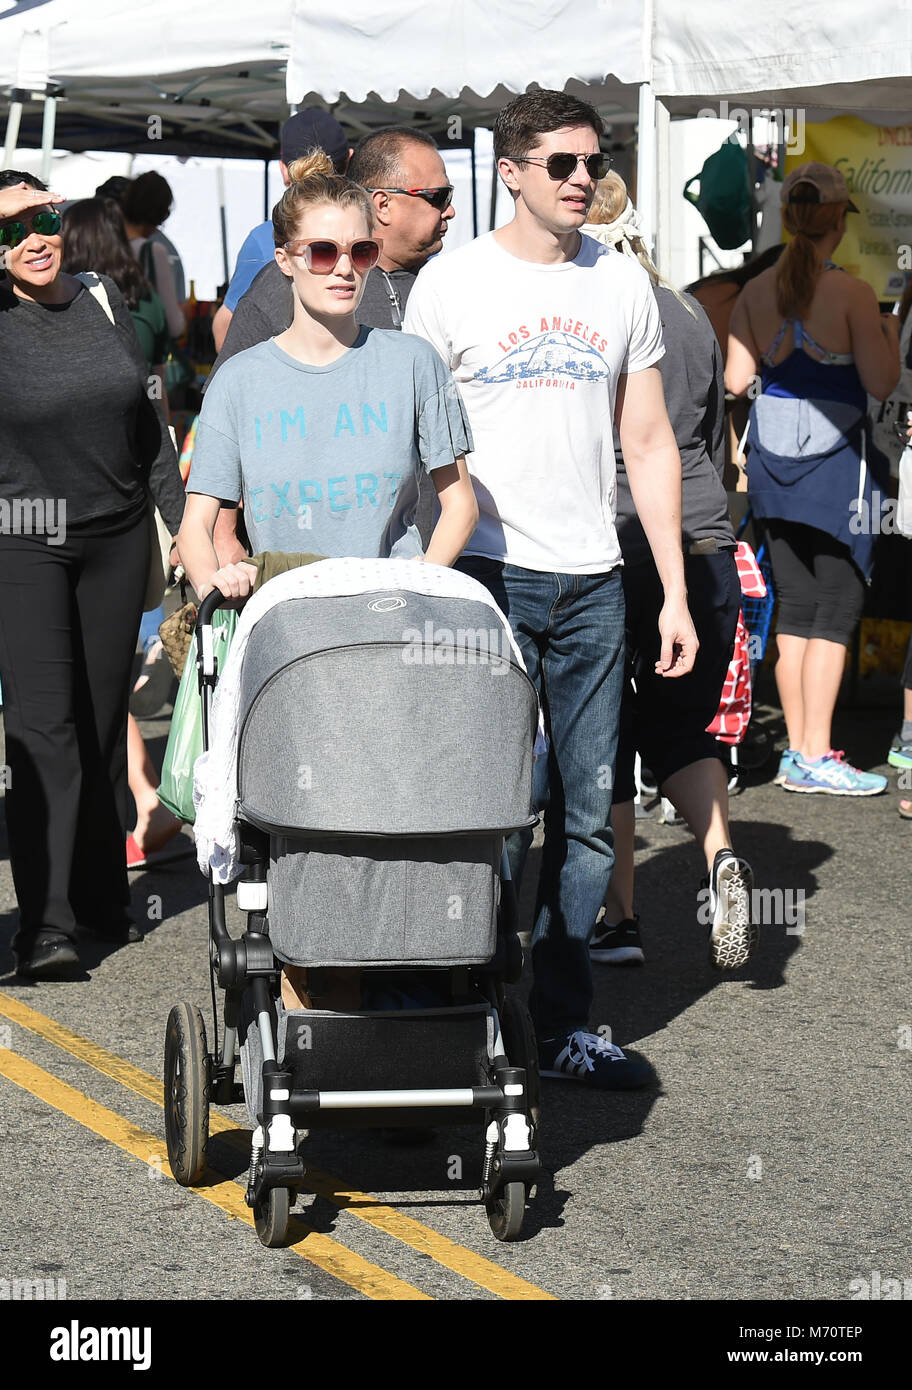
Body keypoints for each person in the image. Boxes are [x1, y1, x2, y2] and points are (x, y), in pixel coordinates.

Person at [404, 90, 698, 1090]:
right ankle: (474, 1013)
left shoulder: (620, 286)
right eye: (563, 163)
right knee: (488, 806)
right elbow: (415, 443)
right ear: (513, 172)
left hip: (595, 581)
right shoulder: (449, 286)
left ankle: (565, 1022)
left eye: (593, 160)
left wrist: (673, 590)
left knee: (585, 812)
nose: (584, 178)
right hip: (488, 573)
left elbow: (648, 441)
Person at [0, 171, 185, 979]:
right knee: (45, 730)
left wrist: (184, 525)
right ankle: (43, 927)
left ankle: (100, 898)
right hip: (22, 541)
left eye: (42, 216)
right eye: (8, 229)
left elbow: (148, 427)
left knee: (103, 721)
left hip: (116, 539)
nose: (33, 237)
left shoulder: (103, 296)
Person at [581, 173, 756, 971]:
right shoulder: (688, 310)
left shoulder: (593, 307)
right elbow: (717, 444)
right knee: (683, 727)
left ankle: (618, 916)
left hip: (615, 534)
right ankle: (719, 852)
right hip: (704, 541)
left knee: (605, 730)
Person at [727, 161, 900, 795]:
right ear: (839, 222)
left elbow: (734, 382)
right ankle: (815, 753)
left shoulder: (754, 291)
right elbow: (881, 383)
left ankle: (801, 754)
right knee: (835, 611)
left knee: (797, 608)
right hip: (838, 474)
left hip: (774, 468)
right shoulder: (852, 293)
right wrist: (885, 332)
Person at [206, 127, 458, 564]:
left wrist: (430, 571)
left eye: (361, 253)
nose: (449, 210)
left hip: (419, 557)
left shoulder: (447, 283)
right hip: (301, 569)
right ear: (384, 203)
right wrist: (223, 534)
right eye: (436, 196)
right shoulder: (281, 286)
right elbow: (229, 417)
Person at [60, 195, 186, 865]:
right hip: (135, 495)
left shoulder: (81, 312)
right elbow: (169, 352)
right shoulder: (137, 299)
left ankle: (138, 801)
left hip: (96, 510)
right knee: (110, 678)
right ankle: (142, 800)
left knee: (94, 682)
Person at [212, 109, 353, 353]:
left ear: (283, 170)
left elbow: (224, 329)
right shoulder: (370, 239)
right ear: (350, 160)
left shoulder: (264, 238)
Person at [121, 171, 186, 340]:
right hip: (141, 357)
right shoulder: (153, 252)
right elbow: (174, 326)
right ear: (162, 212)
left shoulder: (102, 243)